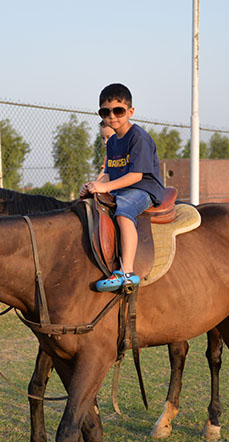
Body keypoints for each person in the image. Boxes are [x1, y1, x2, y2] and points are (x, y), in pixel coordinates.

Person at [80, 83, 165, 291]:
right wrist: (94, 185)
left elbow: (136, 175)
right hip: (123, 187)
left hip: (144, 189)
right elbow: (110, 171)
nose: (112, 116)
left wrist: (106, 186)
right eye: (105, 112)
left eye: (118, 110)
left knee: (124, 210)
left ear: (130, 111)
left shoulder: (138, 137)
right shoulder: (112, 143)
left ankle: (126, 272)